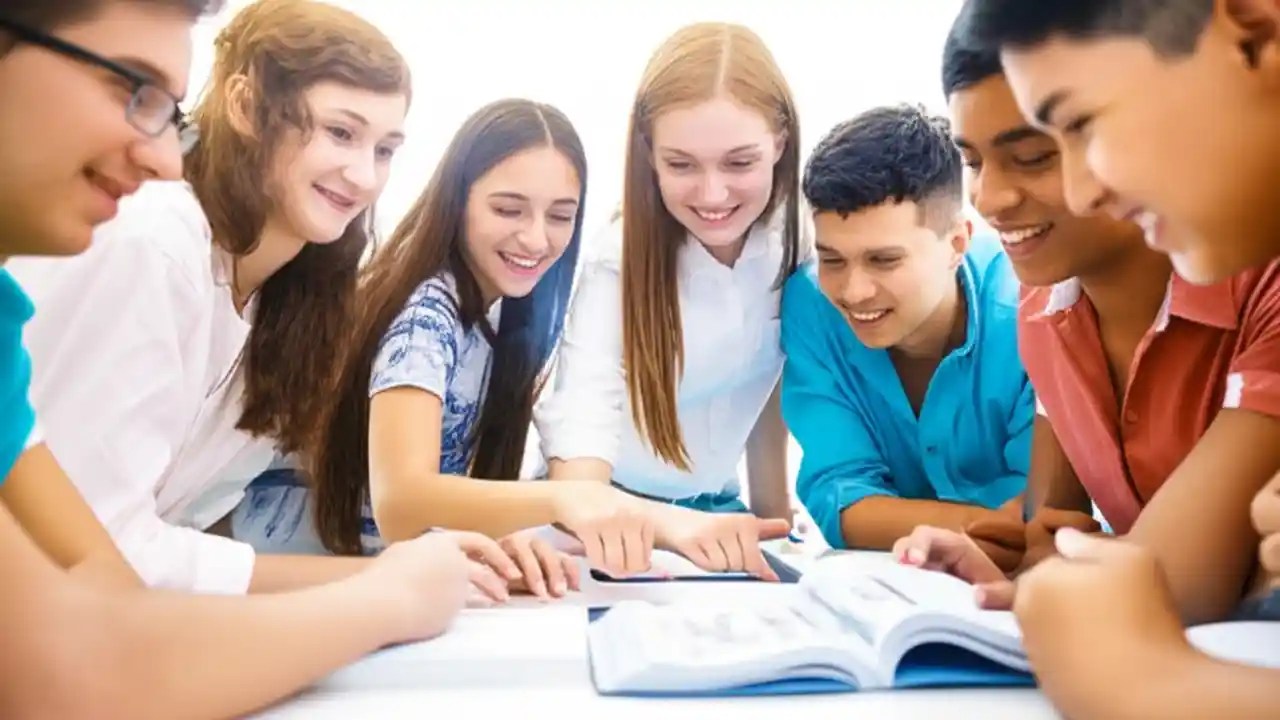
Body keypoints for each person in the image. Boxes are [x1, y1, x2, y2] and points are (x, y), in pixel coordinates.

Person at [0, 1, 508, 717]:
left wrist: (398, 573)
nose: (364, 176)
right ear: (244, 106)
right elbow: (99, 595)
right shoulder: (152, 239)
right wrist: (374, 592)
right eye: (339, 131)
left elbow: (109, 575)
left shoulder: (286, 296)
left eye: (386, 148)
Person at [939, 1, 1280, 717]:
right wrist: (1040, 563)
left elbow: (1172, 584)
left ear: (1254, 36)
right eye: (970, 162)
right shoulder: (1043, 312)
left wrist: (1146, 685)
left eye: (1075, 133)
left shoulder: (1261, 281)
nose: (1090, 186)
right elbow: (1055, 525)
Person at [296, 97, 649, 588]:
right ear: (457, 200)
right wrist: (569, 498)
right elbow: (400, 504)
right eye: (508, 209)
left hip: (390, 576)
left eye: (561, 216)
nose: (536, 238)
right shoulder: (426, 317)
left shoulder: (501, 313)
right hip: (309, 576)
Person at [534, 22, 796, 577]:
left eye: (739, 162)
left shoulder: (800, 245)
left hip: (718, 513)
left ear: (780, 141)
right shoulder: (618, 261)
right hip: (610, 519)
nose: (713, 195)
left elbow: (768, 385)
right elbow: (581, 437)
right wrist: (635, 523)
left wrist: (778, 522)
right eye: (681, 165)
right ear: (648, 155)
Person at [783, 103, 1033, 552]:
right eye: (832, 259)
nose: (854, 292)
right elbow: (840, 500)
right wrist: (988, 525)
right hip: (883, 592)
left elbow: (1034, 519)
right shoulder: (809, 303)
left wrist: (895, 518)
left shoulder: (1030, 310)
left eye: (884, 260)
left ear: (956, 244)